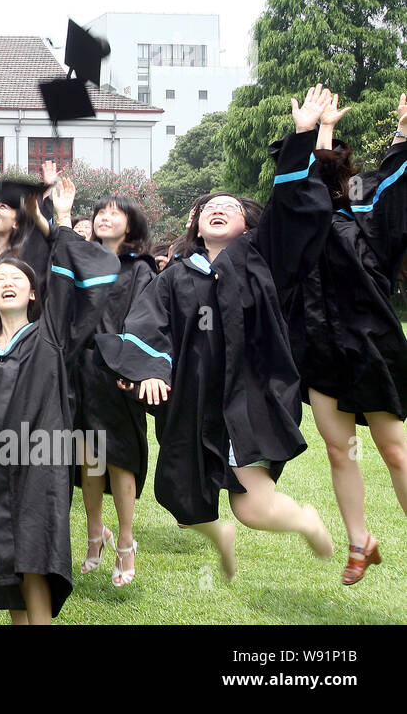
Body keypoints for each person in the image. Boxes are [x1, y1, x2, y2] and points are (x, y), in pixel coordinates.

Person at [97, 85, 338, 581]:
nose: (217, 207)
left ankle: (308, 521)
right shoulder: (176, 275)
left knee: (251, 506)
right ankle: (218, 535)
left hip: (250, 393)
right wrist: (150, 369)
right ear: (197, 226)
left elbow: (292, 206)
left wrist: (304, 136)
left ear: (247, 222)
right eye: (208, 206)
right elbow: (146, 324)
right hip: (195, 398)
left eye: (229, 204)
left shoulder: (261, 258)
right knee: (186, 502)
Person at [0, 186, 119, 623]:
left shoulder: (51, 335)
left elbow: (91, 277)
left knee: (36, 552)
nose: (7, 284)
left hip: (42, 455)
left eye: (17, 279)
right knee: (8, 554)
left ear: (35, 294)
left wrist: (59, 217)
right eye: (0, 281)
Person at [286, 92, 407, 584]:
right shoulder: (300, 221)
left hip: (369, 337)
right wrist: (317, 130)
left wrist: (403, 130)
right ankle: (360, 542)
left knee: (394, 449)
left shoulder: (367, 209)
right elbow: (305, 184)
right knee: (341, 449)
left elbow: (395, 181)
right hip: (318, 343)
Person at [74, 195, 157, 586]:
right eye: (100, 213)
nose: (105, 218)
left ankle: (126, 541)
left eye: (115, 213)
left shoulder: (140, 269)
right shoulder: (82, 262)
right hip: (82, 370)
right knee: (88, 457)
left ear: (131, 225)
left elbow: (145, 321)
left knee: (119, 456)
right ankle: (95, 534)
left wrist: (133, 368)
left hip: (118, 371)